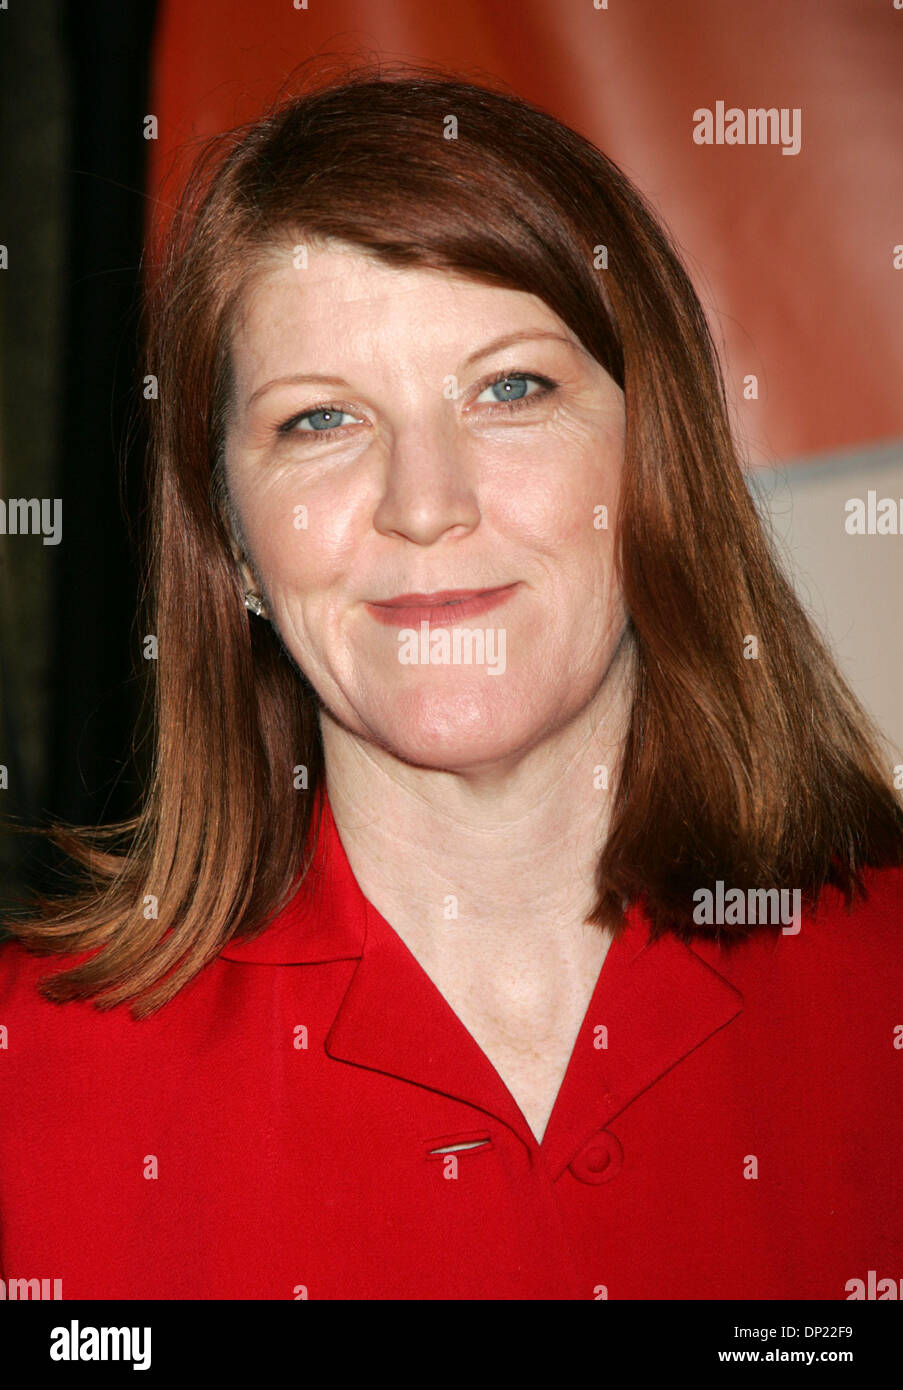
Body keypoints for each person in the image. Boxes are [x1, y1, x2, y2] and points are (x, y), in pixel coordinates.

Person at [1, 64, 901, 1301]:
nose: (427, 504)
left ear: (658, 466)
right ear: (235, 547)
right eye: (321, 420)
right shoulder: (33, 1089)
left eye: (510, 390)